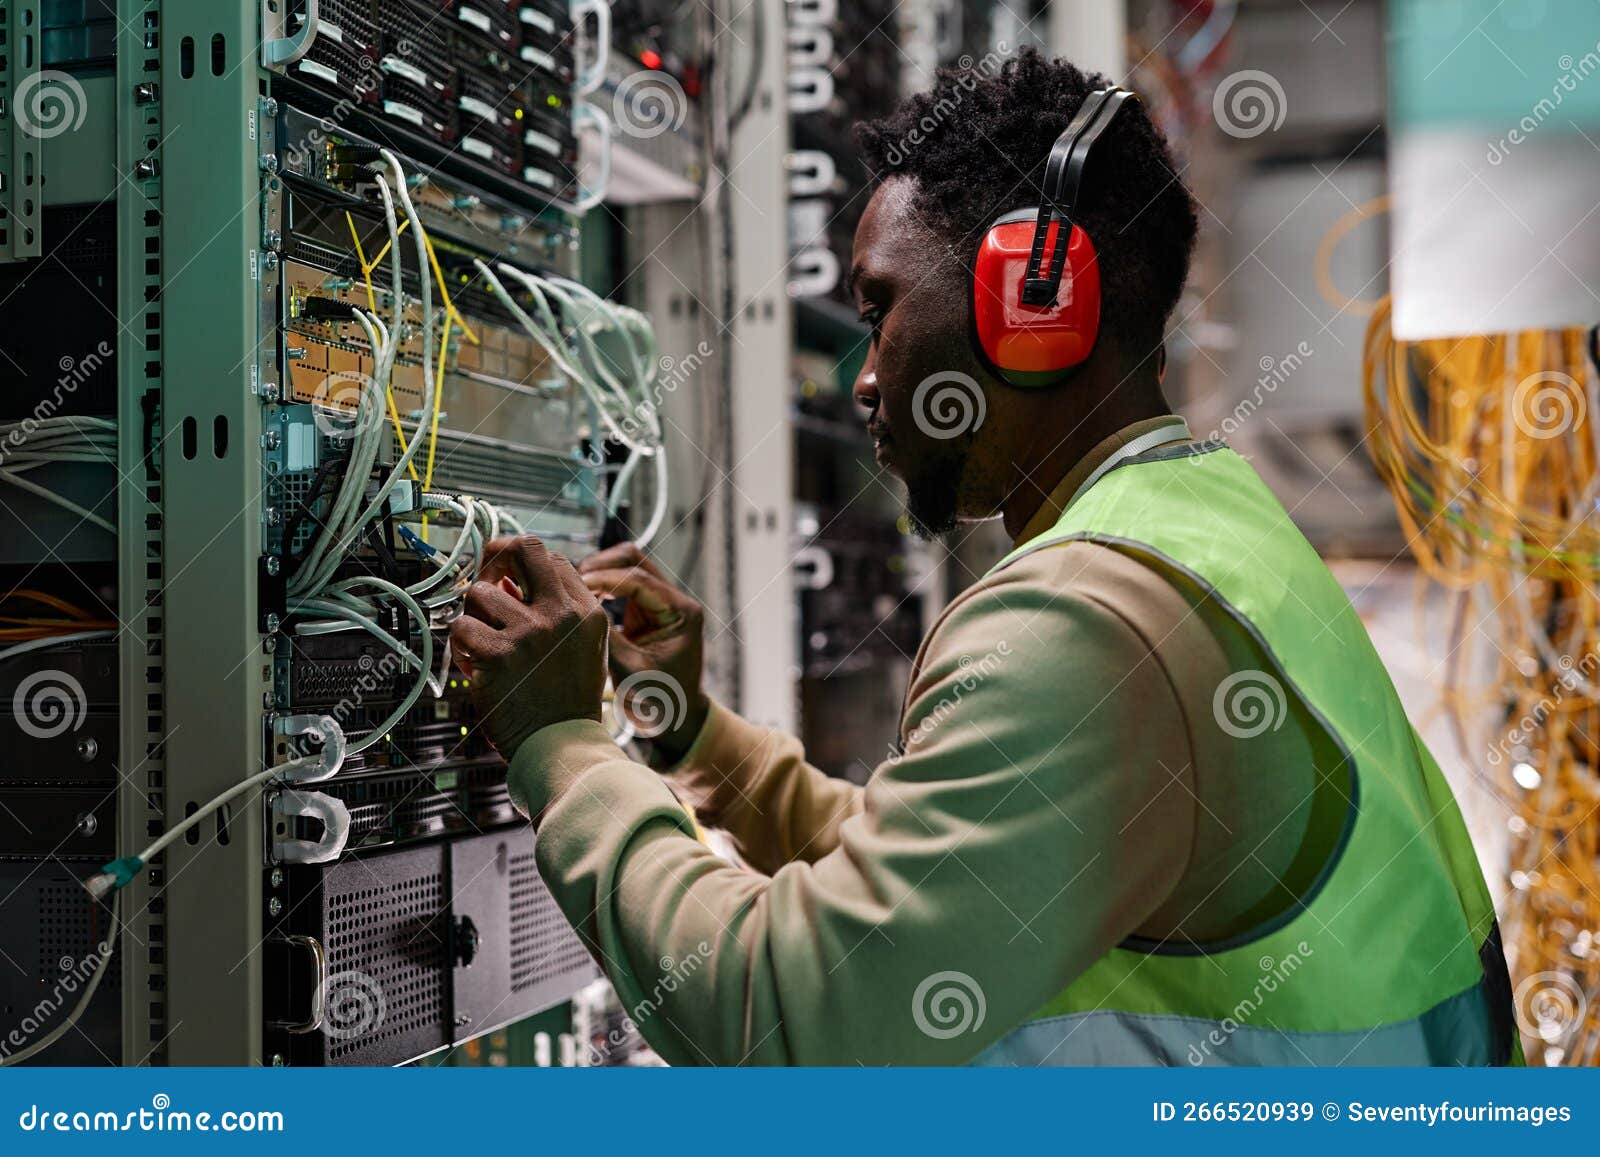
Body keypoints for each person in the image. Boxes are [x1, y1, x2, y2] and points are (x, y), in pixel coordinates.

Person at [449, 49, 1516, 1065]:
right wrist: (689, 732)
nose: (863, 381)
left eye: (880, 311)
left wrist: (562, 743)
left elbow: (793, 1021)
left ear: (1036, 306)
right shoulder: (1210, 525)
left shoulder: (1082, 620)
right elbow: (949, 876)